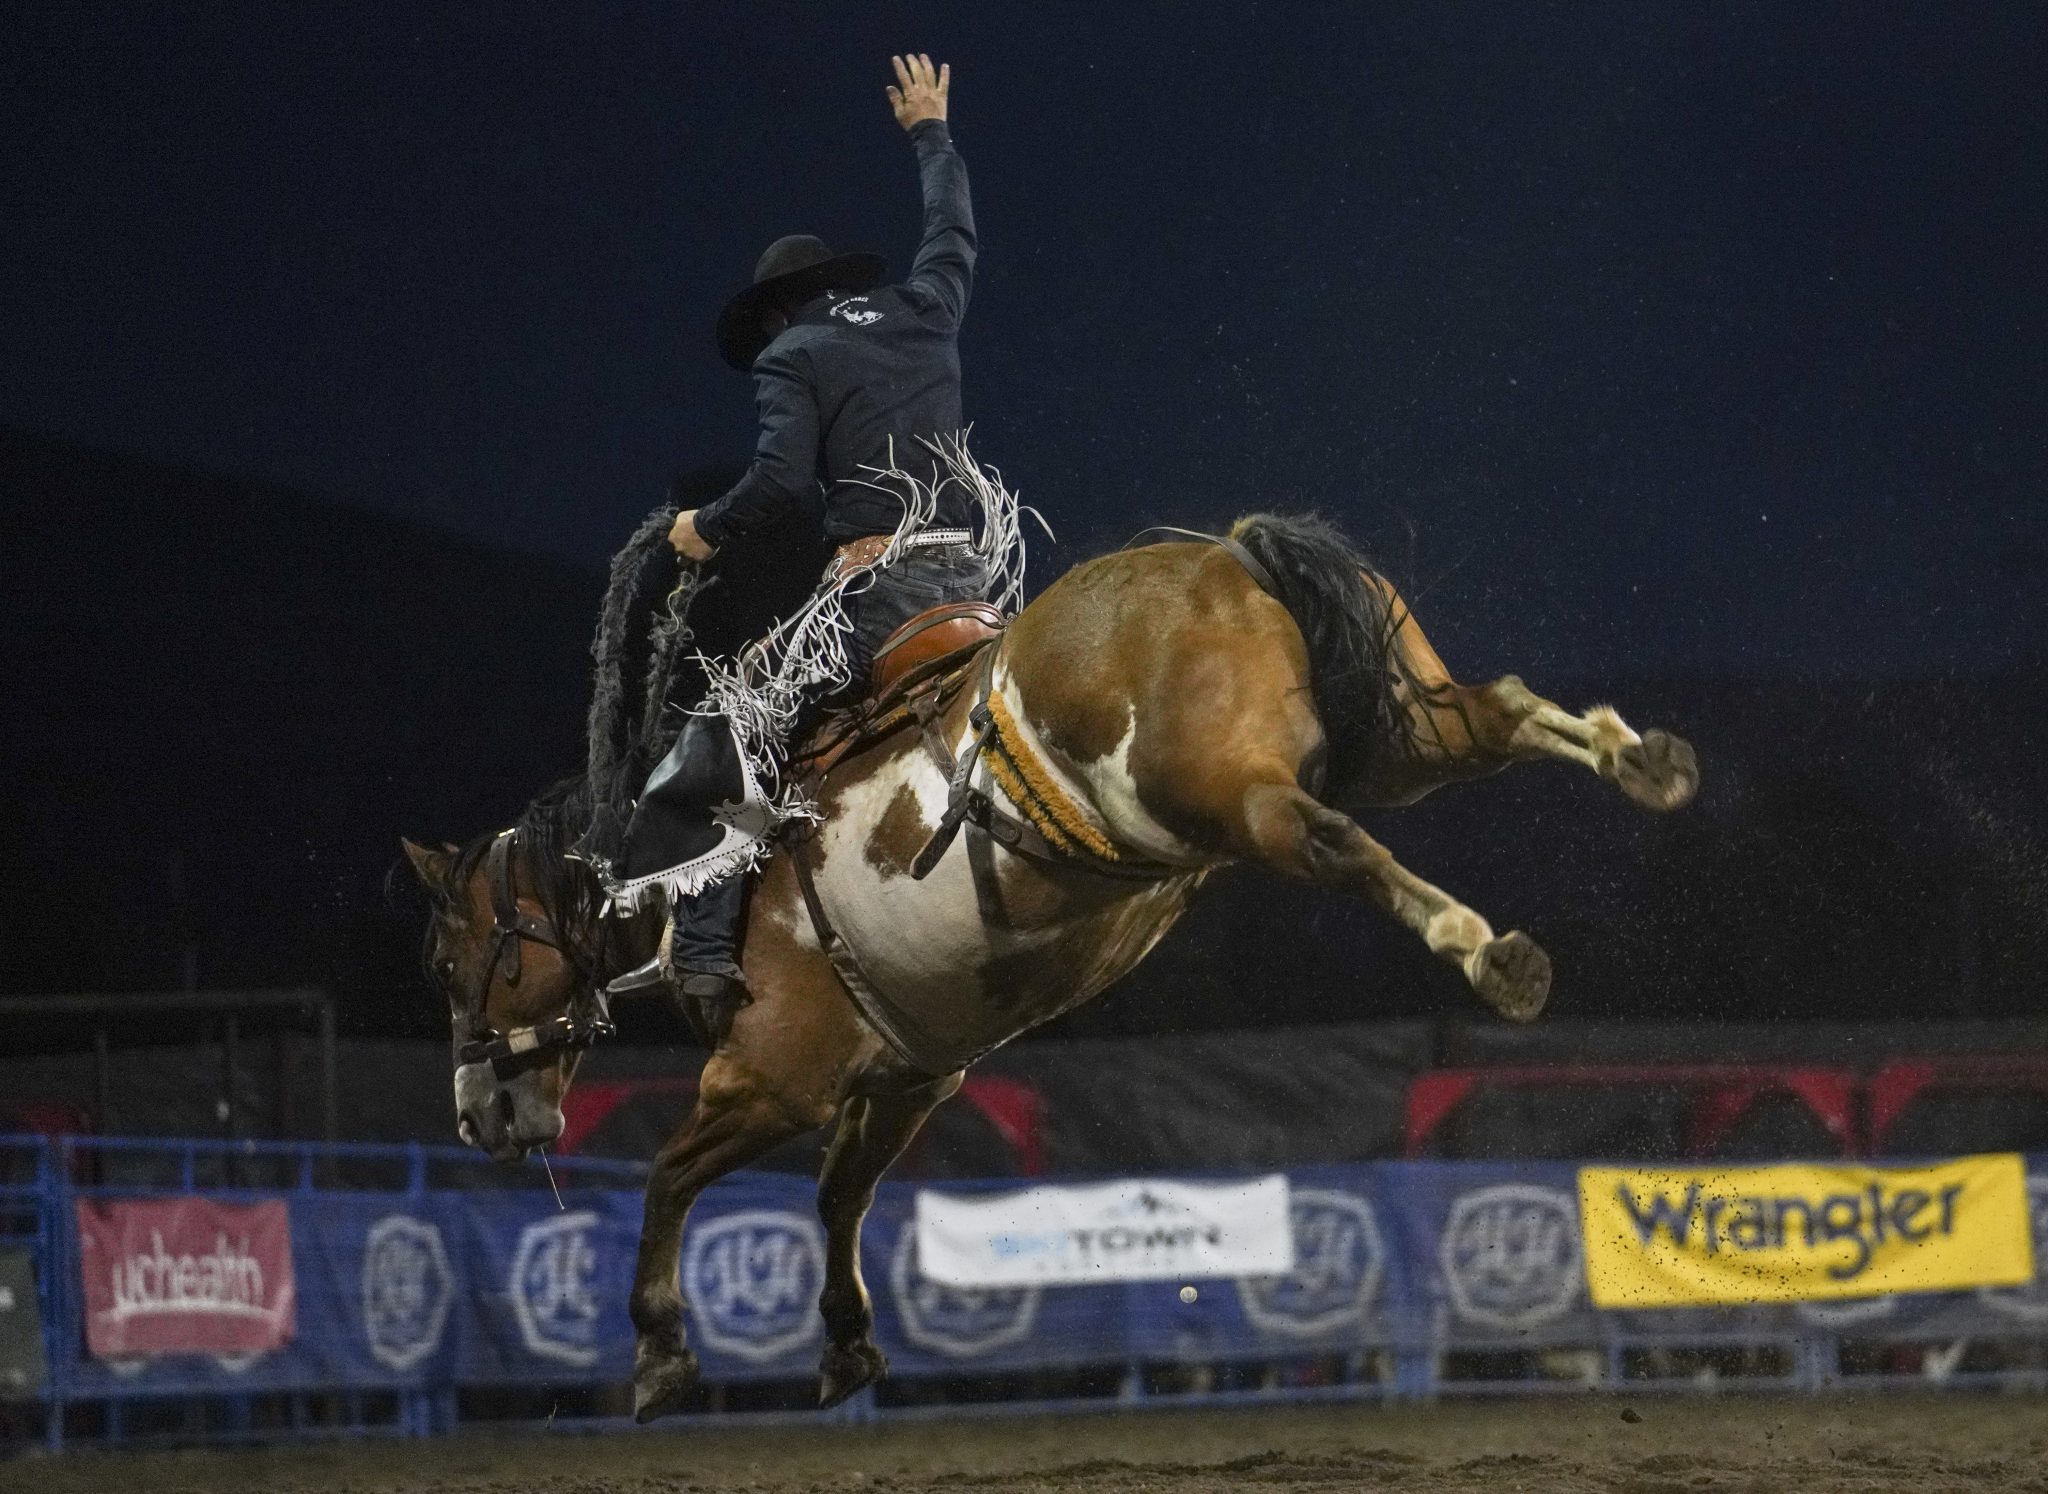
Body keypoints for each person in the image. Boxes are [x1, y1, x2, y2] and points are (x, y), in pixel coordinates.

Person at [601, 54, 1002, 1026]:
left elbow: (781, 485)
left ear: (777, 310)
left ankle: (700, 950)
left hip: (881, 590)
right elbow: (952, 233)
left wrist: (704, 528)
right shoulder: (923, 307)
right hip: (980, 579)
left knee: (726, 724)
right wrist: (931, 131)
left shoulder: (792, 353)